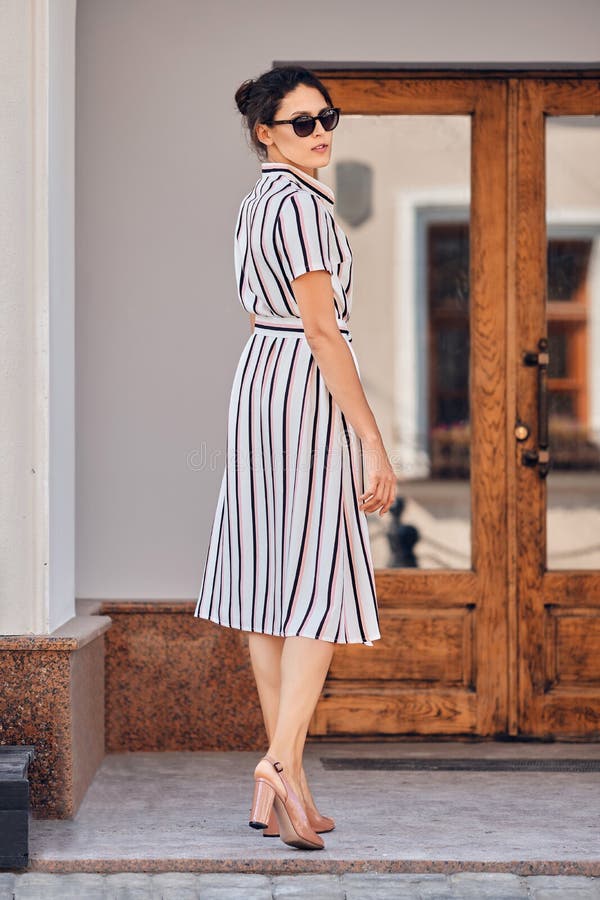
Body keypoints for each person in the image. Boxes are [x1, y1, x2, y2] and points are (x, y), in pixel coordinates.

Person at [194, 65, 397, 850]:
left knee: (270, 575)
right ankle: (279, 761)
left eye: (327, 118)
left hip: (259, 383)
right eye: (302, 122)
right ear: (264, 132)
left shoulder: (258, 203)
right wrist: (370, 439)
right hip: (303, 384)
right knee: (315, 574)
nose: (321, 133)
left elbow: (264, 311)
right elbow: (321, 331)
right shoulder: (305, 208)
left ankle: (292, 786)